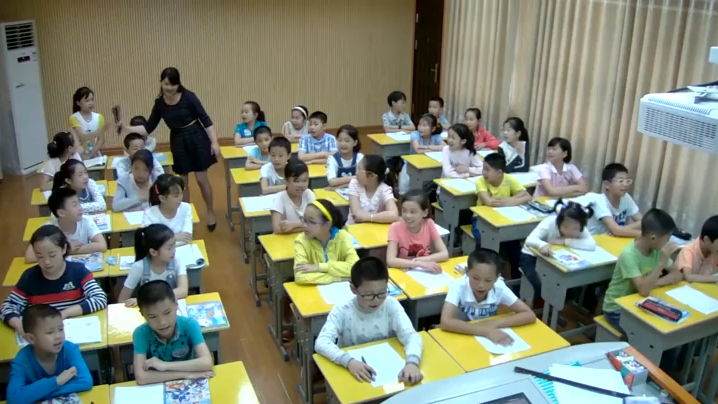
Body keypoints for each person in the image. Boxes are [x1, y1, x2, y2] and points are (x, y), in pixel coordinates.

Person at [118, 67, 220, 231]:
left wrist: (214, 142)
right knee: (182, 183)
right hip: (178, 139)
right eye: (166, 84)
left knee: (201, 179)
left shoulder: (189, 97)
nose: (169, 88)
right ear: (161, 83)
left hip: (197, 137)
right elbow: (148, 127)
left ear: (178, 84)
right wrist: (125, 128)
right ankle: (185, 217)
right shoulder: (159, 103)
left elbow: (205, 119)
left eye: (173, 84)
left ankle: (210, 212)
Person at [315, 257, 423, 384]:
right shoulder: (342, 310)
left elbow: (411, 336)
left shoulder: (391, 304)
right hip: (354, 369)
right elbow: (321, 342)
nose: (376, 300)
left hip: (386, 366)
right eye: (368, 295)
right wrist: (348, 361)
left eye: (381, 293)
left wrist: (412, 363)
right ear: (354, 289)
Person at [4, 225, 107, 336]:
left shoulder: (78, 271)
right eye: (39, 256)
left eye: (52, 255)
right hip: (41, 340)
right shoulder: (29, 277)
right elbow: (7, 307)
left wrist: (64, 314)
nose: (47, 262)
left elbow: (100, 298)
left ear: (63, 249)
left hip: (75, 333)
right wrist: (19, 325)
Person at [601, 209, 682, 335]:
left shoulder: (657, 250)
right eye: (667, 239)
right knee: (650, 334)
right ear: (653, 238)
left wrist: (653, 283)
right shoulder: (629, 254)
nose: (668, 243)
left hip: (640, 303)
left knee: (668, 328)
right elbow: (643, 291)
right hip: (616, 309)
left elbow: (677, 274)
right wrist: (661, 263)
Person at [439, 249, 536, 345]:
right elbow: (445, 322)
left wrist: (494, 323)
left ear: (497, 278)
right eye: (475, 278)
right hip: (460, 334)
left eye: (488, 280)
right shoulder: (458, 286)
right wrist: (485, 331)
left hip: (485, 339)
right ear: (467, 272)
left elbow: (529, 315)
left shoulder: (499, 288)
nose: (481, 285)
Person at [6, 305, 92, 404]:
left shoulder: (70, 349)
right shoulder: (22, 361)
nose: (58, 336)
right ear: (31, 339)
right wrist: (56, 381)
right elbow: (13, 399)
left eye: (60, 329)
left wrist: (37, 395)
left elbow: (85, 381)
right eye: (50, 332)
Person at [132, 280, 214, 385]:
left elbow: (207, 362)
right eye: (152, 317)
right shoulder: (140, 333)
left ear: (176, 305)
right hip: (158, 385)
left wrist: (165, 365)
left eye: (167, 313)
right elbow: (141, 377)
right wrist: (185, 375)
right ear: (142, 314)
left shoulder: (189, 325)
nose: (162, 322)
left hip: (185, 383)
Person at [520, 201, 596, 307]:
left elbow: (591, 244)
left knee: (573, 285)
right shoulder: (550, 222)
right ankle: (543, 306)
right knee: (541, 283)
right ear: (559, 221)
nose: (570, 231)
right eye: (566, 227)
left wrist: (565, 241)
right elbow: (530, 239)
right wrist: (542, 244)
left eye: (575, 229)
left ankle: (553, 306)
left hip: (557, 259)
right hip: (532, 257)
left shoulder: (579, 223)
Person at [473, 153, 532, 280]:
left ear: (499, 172)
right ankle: (491, 276)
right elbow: (489, 201)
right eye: (483, 169)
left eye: (487, 170)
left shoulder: (509, 180)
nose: (483, 173)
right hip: (481, 221)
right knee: (488, 245)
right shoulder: (480, 181)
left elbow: (527, 196)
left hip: (504, 221)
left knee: (515, 251)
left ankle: (515, 282)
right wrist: (514, 200)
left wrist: (509, 201)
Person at [25, 189, 107, 263]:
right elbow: (29, 256)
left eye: (79, 203)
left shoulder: (86, 221)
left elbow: (102, 245)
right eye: (74, 205)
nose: (80, 208)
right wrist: (66, 249)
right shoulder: (48, 229)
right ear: (61, 213)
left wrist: (69, 250)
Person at [118, 224, 188, 307]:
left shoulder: (177, 262)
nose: (174, 251)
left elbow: (183, 290)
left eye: (174, 246)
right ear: (153, 252)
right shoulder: (138, 267)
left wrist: (144, 300)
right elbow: (122, 299)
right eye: (169, 248)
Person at [294, 200, 360, 284]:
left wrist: (320, 267)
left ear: (328, 225)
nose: (304, 225)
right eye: (304, 220)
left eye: (311, 222)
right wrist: (341, 277)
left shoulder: (342, 236)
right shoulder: (301, 240)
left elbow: (355, 267)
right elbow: (300, 276)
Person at [386, 190, 449, 272]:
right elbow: (390, 260)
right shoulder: (395, 227)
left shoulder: (429, 224)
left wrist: (419, 261)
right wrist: (416, 264)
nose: (407, 215)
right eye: (404, 211)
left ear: (424, 213)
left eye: (413, 212)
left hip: (423, 269)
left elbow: (444, 254)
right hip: (404, 271)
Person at [583, 163, 643, 237]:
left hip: (613, 240)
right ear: (607, 184)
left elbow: (643, 221)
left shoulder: (626, 197)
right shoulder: (598, 200)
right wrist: (645, 235)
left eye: (627, 181)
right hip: (594, 240)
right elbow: (615, 230)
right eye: (621, 181)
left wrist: (622, 230)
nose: (625, 184)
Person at [347, 155, 399, 225]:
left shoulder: (384, 189)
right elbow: (356, 215)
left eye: (359, 169)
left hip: (373, 229)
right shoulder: (355, 183)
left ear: (371, 176)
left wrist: (370, 217)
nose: (356, 172)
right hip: (353, 228)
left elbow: (394, 215)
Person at [142, 174, 193, 245]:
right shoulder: (149, 214)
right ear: (162, 198)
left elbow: (187, 238)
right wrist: (174, 237)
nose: (180, 198)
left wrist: (164, 241)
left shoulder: (186, 208)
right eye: (176, 196)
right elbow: (150, 242)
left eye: (181, 193)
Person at [271, 159, 316, 234]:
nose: (301, 185)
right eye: (296, 181)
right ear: (286, 180)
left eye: (305, 180)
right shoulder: (279, 197)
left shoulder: (308, 194)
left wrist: (294, 224)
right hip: (284, 239)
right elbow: (277, 229)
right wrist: (307, 226)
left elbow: (316, 222)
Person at [676, 215, 718, 283]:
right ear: (707, 240)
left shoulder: (714, 251)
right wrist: (715, 278)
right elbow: (688, 277)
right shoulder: (688, 250)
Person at [69, 86, 106, 159]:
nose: (91, 103)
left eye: (92, 100)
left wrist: (90, 155)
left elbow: (101, 139)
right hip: (80, 154)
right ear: (78, 103)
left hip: (95, 154)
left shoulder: (99, 117)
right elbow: (82, 137)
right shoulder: (74, 118)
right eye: (87, 101)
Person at [327, 125, 364, 189]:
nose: (343, 144)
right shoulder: (332, 159)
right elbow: (332, 182)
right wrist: (355, 177)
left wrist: (340, 186)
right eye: (340, 140)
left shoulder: (360, 157)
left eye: (347, 141)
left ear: (355, 142)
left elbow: (362, 179)